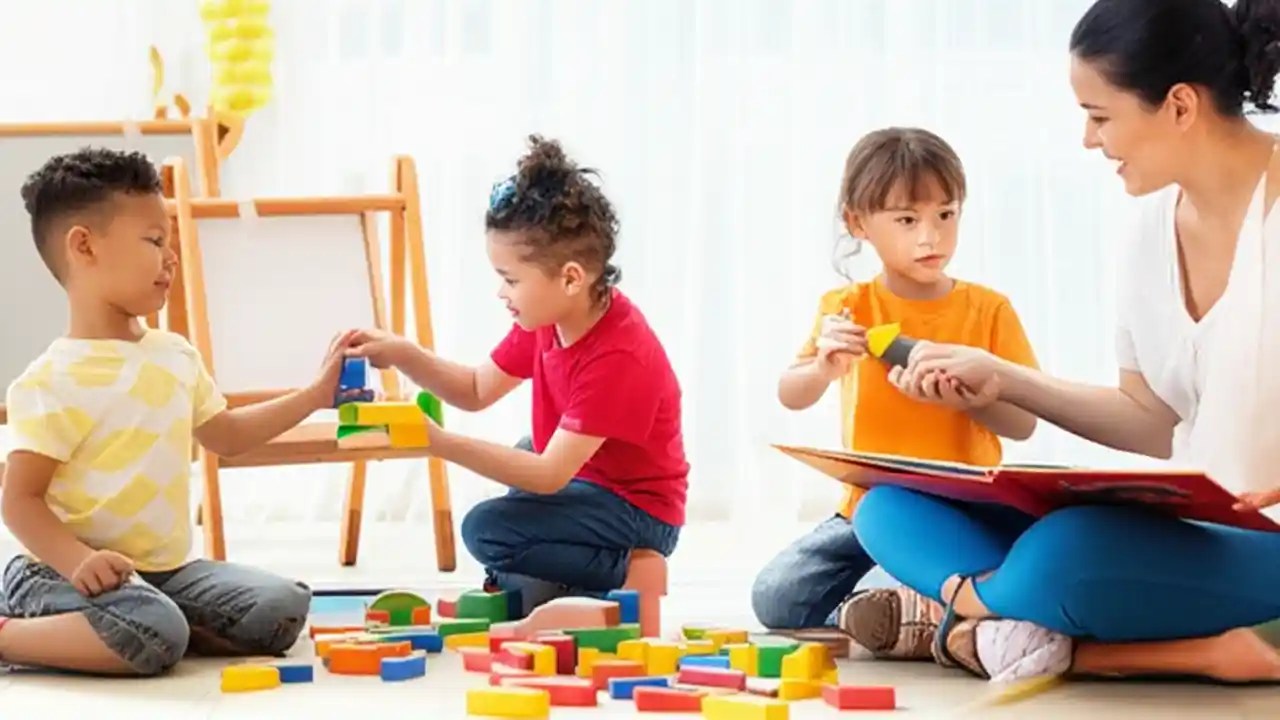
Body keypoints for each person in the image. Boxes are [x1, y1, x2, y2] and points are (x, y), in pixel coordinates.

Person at [848, 0, 1280, 685]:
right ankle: (1008, 618)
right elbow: (1148, 420)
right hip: (1188, 531)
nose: (1087, 138)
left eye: (1100, 115)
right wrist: (1004, 380)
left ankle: (971, 621)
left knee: (1071, 551)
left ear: (1178, 106)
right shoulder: (1148, 230)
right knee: (888, 507)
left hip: (1266, 545)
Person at [1, 148, 350, 676]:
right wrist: (78, 562)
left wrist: (314, 396)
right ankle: (14, 636)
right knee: (154, 630)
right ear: (84, 245)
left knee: (281, 607)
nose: (172, 258)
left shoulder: (174, 354)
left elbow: (228, 435)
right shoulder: (52, 380)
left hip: (163, 572)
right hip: (58, 569)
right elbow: (19, 500)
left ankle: (140, 628)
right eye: (155, 241)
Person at [343, 135, 687, 615]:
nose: (501, 293)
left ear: (570, 278)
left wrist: (436, 442)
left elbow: (548, 477)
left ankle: (630, 566)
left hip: (636, 512)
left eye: (510, 279)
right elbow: (475, 389)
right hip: (583, 487)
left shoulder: (620, 355)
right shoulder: (546, 320)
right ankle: (557, 586)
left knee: (484, 528)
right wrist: (404, 354)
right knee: (527, 455)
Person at [750, 127, 1040, 657]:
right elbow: (791, 393)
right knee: (777, 597)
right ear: (857, 223)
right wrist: (823, 365)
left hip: (961, 509)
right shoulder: (847, 306)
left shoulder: (989, 309)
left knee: (931, 568)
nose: (931, 237)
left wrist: (973, 402)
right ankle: (901, 613)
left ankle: (903, 611)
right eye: (907, 220)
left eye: (946, 215)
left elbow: (1022, 423)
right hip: (866, 508)